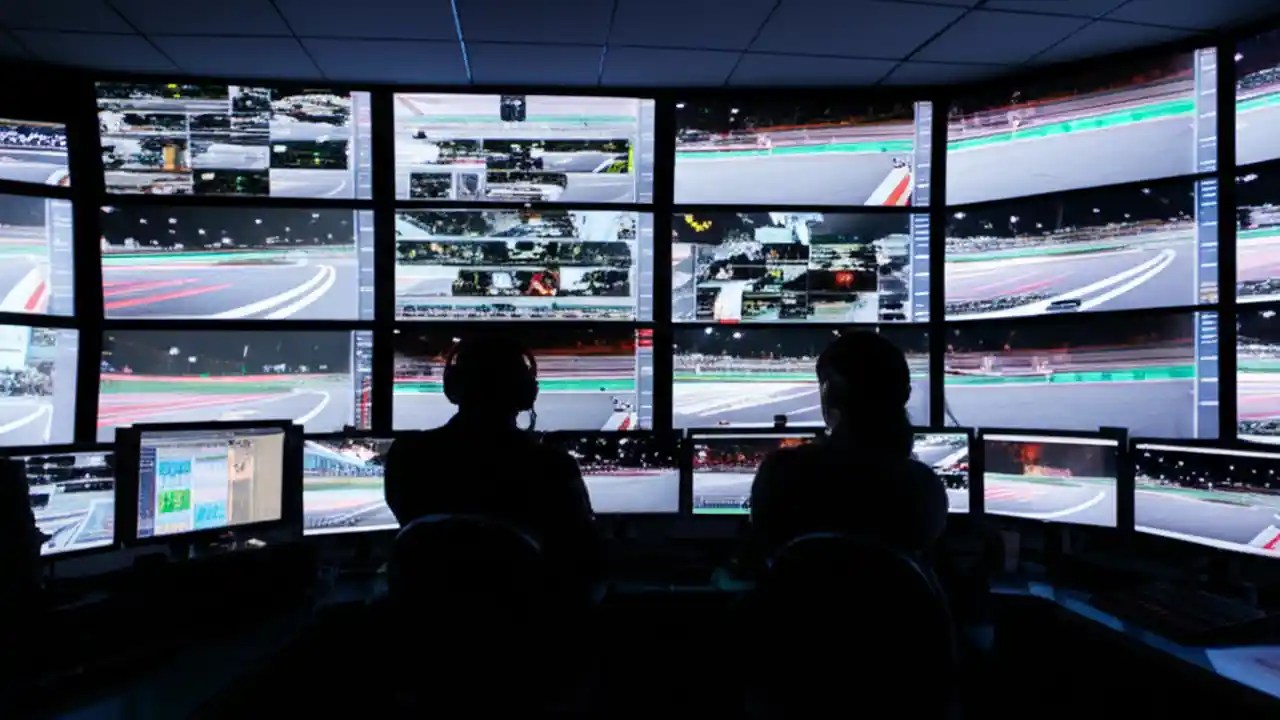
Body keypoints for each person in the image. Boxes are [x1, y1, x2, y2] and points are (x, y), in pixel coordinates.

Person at [384, 334, 601, 590]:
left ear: (452, 387)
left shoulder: (407, 455)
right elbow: (583, 557)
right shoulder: (553, 466)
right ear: (527, 392)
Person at [748, 331, 948, 564]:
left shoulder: (779, 475)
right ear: (905, 394)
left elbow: (764, 551)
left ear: (828, 394)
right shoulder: (922, 487)